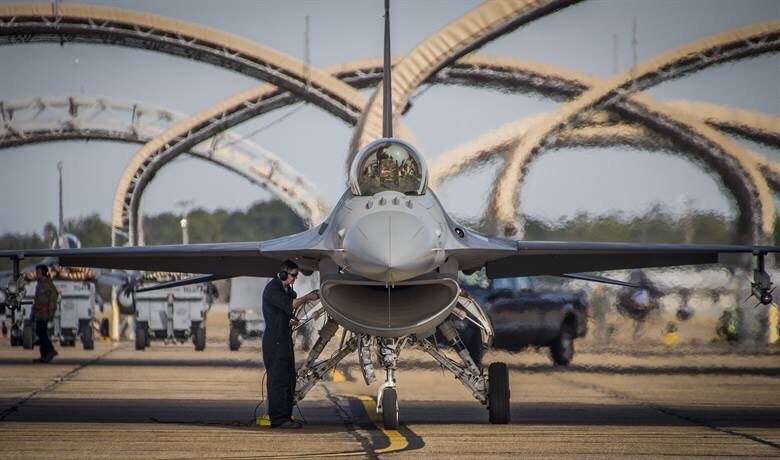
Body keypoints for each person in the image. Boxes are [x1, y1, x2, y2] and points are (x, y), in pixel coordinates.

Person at [261, 260, 319, 429]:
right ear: (283, 274)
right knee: (278, 380)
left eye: (296, 276)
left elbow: (285, 310)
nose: (295, 279)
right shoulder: (273, 289)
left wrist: (292, 319)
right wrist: (307, 297)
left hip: (284, 339)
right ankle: (278, 419)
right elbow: (289, 305)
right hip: (275, 341)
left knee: (288, 378)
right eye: (293, 275)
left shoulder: (287, 290)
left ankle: (286, 416)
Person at [32, 264, 59, 363]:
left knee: (41, 333)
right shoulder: (39, 284)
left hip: (44, 313)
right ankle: (44, 356)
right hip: (39, 313)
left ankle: (50, 350)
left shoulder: (48, 284)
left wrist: (50, 313)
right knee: (40, 333)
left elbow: (53, 298)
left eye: (38, 272)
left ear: (43, 272)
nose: (37, 274)